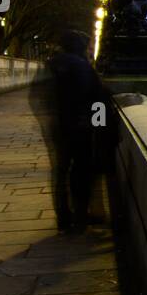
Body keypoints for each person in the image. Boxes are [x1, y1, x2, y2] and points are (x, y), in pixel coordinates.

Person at [32, 29, 111, 233]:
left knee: (60, 171)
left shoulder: (51, 64)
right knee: (81, 171)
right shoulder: (82, 67)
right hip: (81, 128)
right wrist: (99, 126)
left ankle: (63, 218)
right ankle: (81, 215)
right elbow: (97, 100)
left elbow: (38, 96)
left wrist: (50, 122)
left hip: (58, 128)